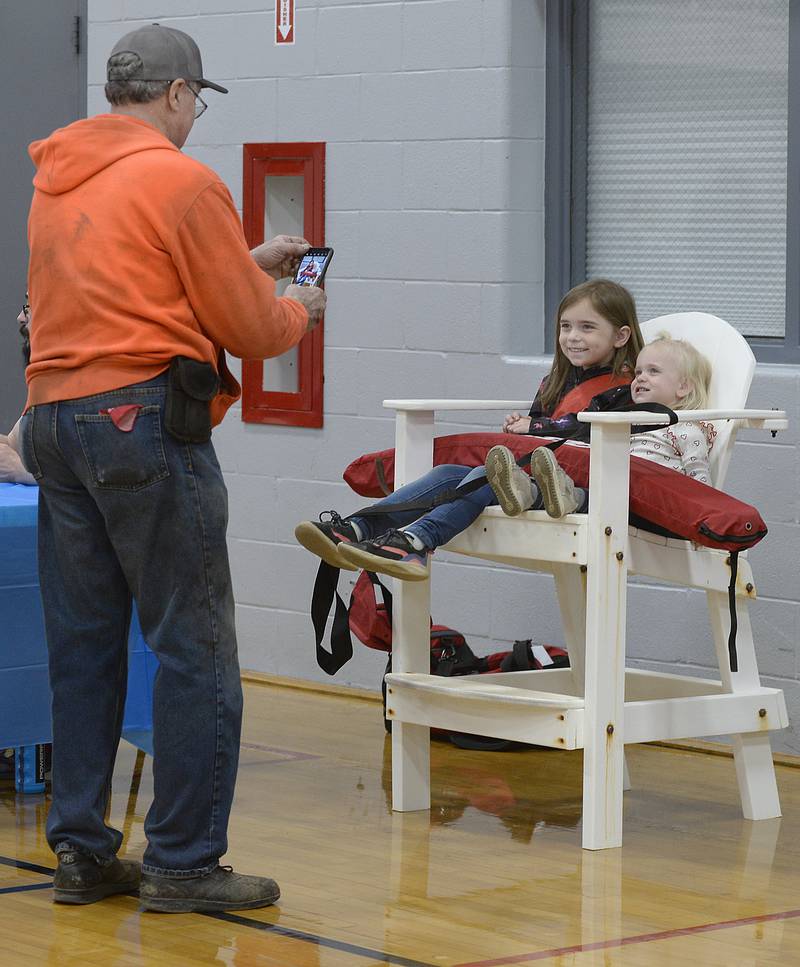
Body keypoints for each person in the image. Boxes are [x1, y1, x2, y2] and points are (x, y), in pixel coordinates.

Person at [19, 24, 325, 912]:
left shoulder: (56, 176)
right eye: (198, 103)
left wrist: (239, 262)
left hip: (53, 421)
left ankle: (81, 850)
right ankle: (185, 862)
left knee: (83, 646)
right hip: (139, 423)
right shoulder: (184, 178)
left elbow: (124, 284)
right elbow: (253, 331)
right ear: (182, 93)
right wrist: (295, 301)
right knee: (194, 646)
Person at [295, 279, 642, 581]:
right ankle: (358, 528)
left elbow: (584, 430)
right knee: (448, 472)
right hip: (527, 478)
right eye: (566, 327)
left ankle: (416, 542)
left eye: (587, 327)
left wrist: (534, 426)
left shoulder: (628, 388)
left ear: (620, 335)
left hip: (574, 490)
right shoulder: (555, 382)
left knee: (484, 473)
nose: (573, 337)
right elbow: (541, 426)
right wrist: (522, 430)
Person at [485, 334, 715, 520]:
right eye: (638, 372)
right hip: (614, 492)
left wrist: (701, 517)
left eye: (653, 371)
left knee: (589, 497)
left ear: (683, 387)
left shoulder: (687, 430)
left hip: (652, 503)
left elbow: (699, 479)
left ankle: (540, 490)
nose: (640, 378)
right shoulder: (631, 423)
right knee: (577, 495)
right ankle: (528, 491)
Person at [0, 298, 35, 485]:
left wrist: (20, 471)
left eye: (28, 307)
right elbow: (15, 443)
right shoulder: (48, 385)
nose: (20, 317)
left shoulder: (96, 390)